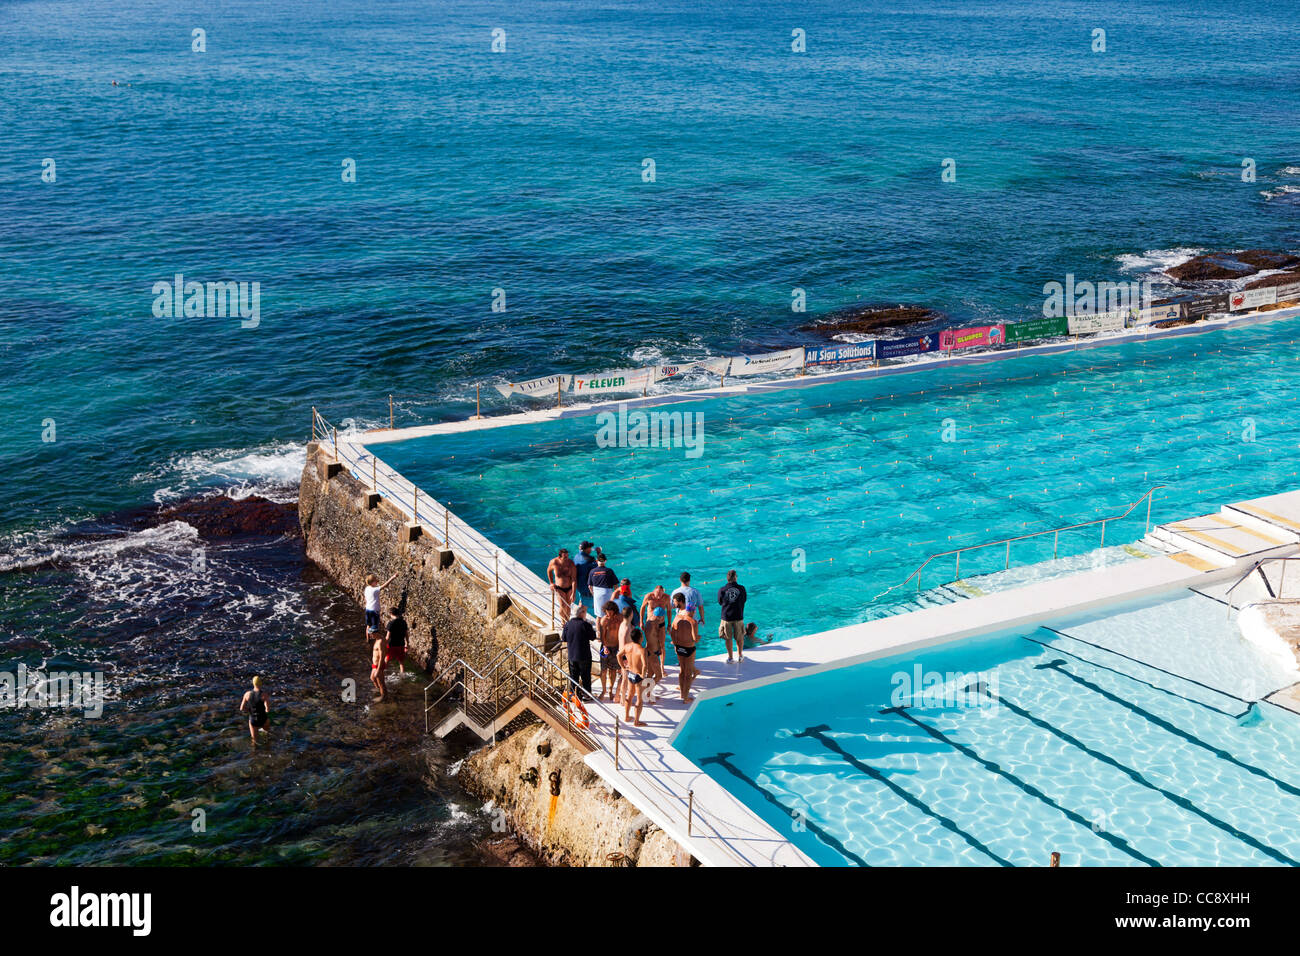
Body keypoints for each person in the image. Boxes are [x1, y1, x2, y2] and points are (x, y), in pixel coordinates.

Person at [670, 593, 700, 701]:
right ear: (693, 611)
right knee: (688, 674)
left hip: (679, 647)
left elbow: (672, 632)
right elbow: (694, 638)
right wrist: (698, 638)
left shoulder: (677, 617)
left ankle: (682, 694)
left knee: (682, 671)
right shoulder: (693, 622)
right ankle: (686, 697)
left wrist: (675, 642)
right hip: (689, 648)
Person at [561, 604, 596, 696]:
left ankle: (574, 695)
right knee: (585, 677)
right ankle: (586, 695)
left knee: (573, 676)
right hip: (584, 655)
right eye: (584, 612)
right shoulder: (585, 625)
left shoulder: (567, 625)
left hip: (572, 655)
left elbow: (564, 638)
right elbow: (593, 636)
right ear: (581, 613)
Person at [619, 628, 650, 727]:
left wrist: (623, 667)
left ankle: (627, 717)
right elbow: (645, 665)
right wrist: (643, 675)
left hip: (630, 673)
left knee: (630, 696)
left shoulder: (627, 646)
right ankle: (636, 722)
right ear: (640, 637)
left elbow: (618, 655)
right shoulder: (642, 650)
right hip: (638, 675)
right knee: (639, 699)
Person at [640, 584, 670, 682]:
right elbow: (642, 608)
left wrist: (669, 624)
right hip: (650, 624)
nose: (658, 597)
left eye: (660, 594)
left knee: (662, 645)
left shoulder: (666, 598)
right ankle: (647, 665)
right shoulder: (649, 596)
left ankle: (662, 667)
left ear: (663, 592)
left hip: (661, 624)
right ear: (654, 591)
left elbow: (669, 611)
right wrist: (641, 621)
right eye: (657, 594)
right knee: (649, 645)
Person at [717, 569, 748, 663]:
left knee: (728, 638)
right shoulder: (742, 588)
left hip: (726, 617)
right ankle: (740, 656)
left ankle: (730, 658)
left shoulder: (722, 589)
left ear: (727, 579)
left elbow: (720, 602)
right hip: (738, 616)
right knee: (740, 638)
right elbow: (744, 599)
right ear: (735, 578)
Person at [596, 600, 622, 702]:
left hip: (616, 647)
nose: (608, 614)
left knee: (613, 671)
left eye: (610, 612)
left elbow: (622, 633)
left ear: (614, 611)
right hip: (606, 646)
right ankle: (604, 690)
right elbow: (602, 636)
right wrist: (605, 647)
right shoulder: (604, 620)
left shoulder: (619, 619)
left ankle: (611, 690)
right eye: (606, 611)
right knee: (603, 670)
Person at [364, 570, 400, 638]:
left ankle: (368, 641)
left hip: (367, 609)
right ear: (372, 582)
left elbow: (366, 598)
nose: (377, 581)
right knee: (375, 629)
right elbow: (385, 585)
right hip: (374, 611)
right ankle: (377, 644)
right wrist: (393, 577)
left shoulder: (367, 588)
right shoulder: (375, 590)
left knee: (368, 626)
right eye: (375, 581)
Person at [546, 548, 577, 622]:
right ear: (560, 557)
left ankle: (568, 621)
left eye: (567, 556)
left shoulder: (570, 563)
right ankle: (563, 622)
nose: (567, 558)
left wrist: (573, 593)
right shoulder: (554, 562)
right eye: (565, 557)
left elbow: (574, 579)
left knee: (568, 606)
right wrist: (551, 583)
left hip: (569, 588)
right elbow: (549, 571)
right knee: (563, 606)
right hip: (559, 588)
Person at [239, 676, 270, 744]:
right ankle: (268, 748)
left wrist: (249, 710)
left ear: (253, 683)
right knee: (267, 736)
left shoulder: (247, 694)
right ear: (261, 683)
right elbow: (267, 709)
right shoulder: (264, 695)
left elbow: (241, 708)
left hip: (253, 719)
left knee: (254, 740)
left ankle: (254, 752)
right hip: (263, 718)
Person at [573, 541, 600, 608]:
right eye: (590, 547)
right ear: (587, 549)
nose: (591, 549)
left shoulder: (576, 557)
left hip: (579, 585)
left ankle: (579, 616)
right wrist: (599, 553)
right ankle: (579, 617)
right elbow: (600, 567)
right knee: (597, 606)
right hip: (587, 588)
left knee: (582, 602)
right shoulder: (589, 560)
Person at [386, 608, 409, 675]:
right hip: (401, 644)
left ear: (391, 614)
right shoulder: (403, 622)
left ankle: (384, 674)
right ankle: (402, 676)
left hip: (391, 645)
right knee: (401, 662)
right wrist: (407, 643)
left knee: (386, 660)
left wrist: (383, 644)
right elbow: (406, 634)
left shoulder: (391, 623)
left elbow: (387, 637)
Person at [370, 629, 387, 701]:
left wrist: (378, 669)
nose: (370, 635)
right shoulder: (377, 639)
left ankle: (384, 696)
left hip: (378, 665)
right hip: (375, 664)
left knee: (381, 682)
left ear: (376, 633)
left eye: (371, 634)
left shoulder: (381, 642)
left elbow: (382, 657)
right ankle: (379, 690)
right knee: (372, 678)